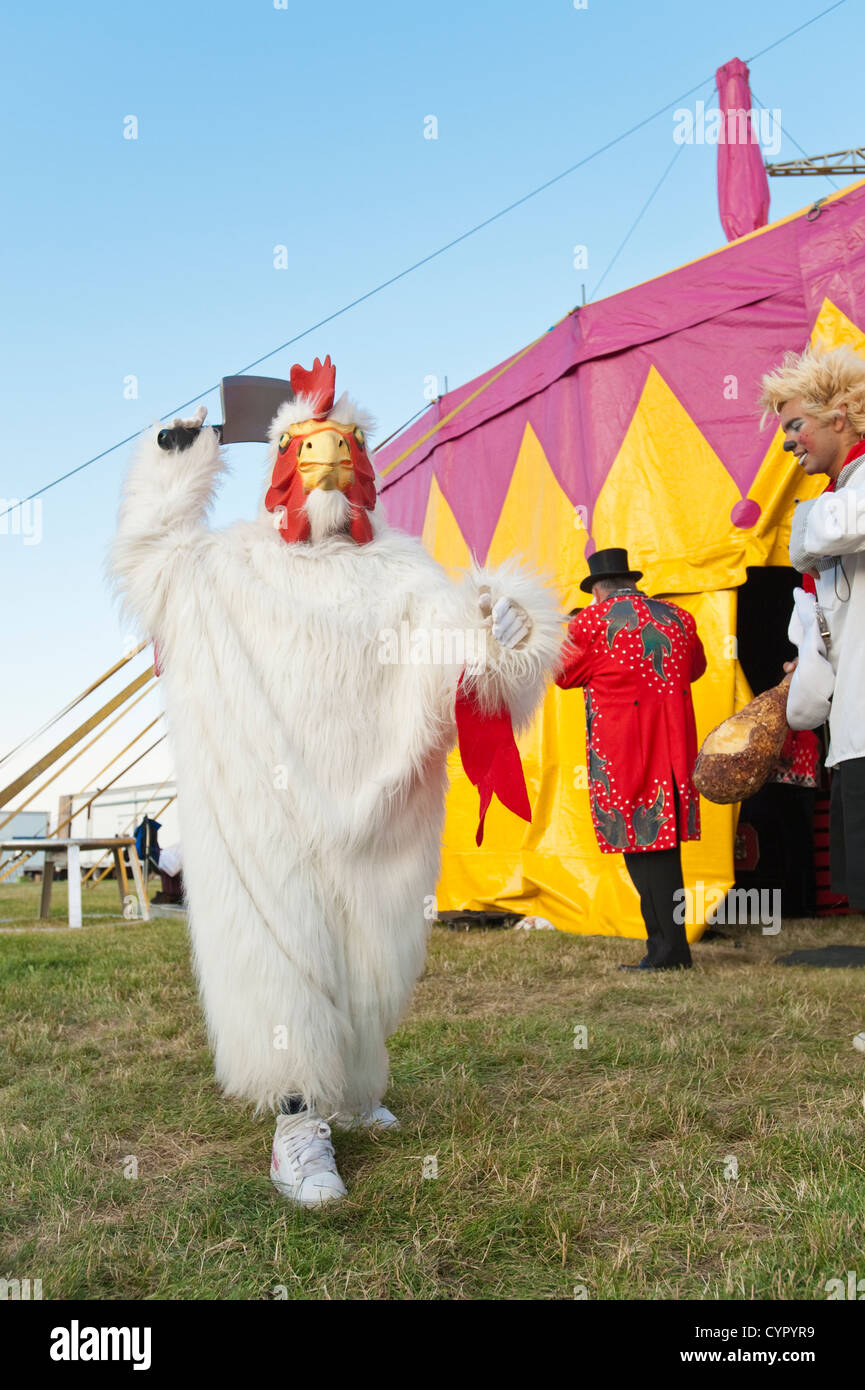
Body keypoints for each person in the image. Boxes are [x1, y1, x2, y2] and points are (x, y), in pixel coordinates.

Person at [111, 356, 561, 1206]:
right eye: (310, 453)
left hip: (370, 804)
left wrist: (505, 624)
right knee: (282, 953)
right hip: (260, 805)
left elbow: (472, 665)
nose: (328, 470)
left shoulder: (399, 570)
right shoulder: (227, 565)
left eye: (342, 451)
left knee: (366, 956)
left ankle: (351, 1090)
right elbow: (150, 561)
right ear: (282, 468)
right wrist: (174, 468)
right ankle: (295, 1122)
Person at [556, 548, 706, 970]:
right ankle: (668, 947)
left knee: (646, 852)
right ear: (631, 581)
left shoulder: (592, 621)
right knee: (662, 850)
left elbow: (562, 674)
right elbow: (695, 667)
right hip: (675, 749)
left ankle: (668, 951)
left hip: (626, 752)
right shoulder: (678, 617)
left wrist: (566, 629)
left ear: (598, 590)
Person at [759, 346, 865, 910]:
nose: (788, 441)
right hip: (853, 728)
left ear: (837, 417)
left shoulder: (850, 496)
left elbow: (819, 534)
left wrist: (804, 520)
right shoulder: (842, 494)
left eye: (796, 425)